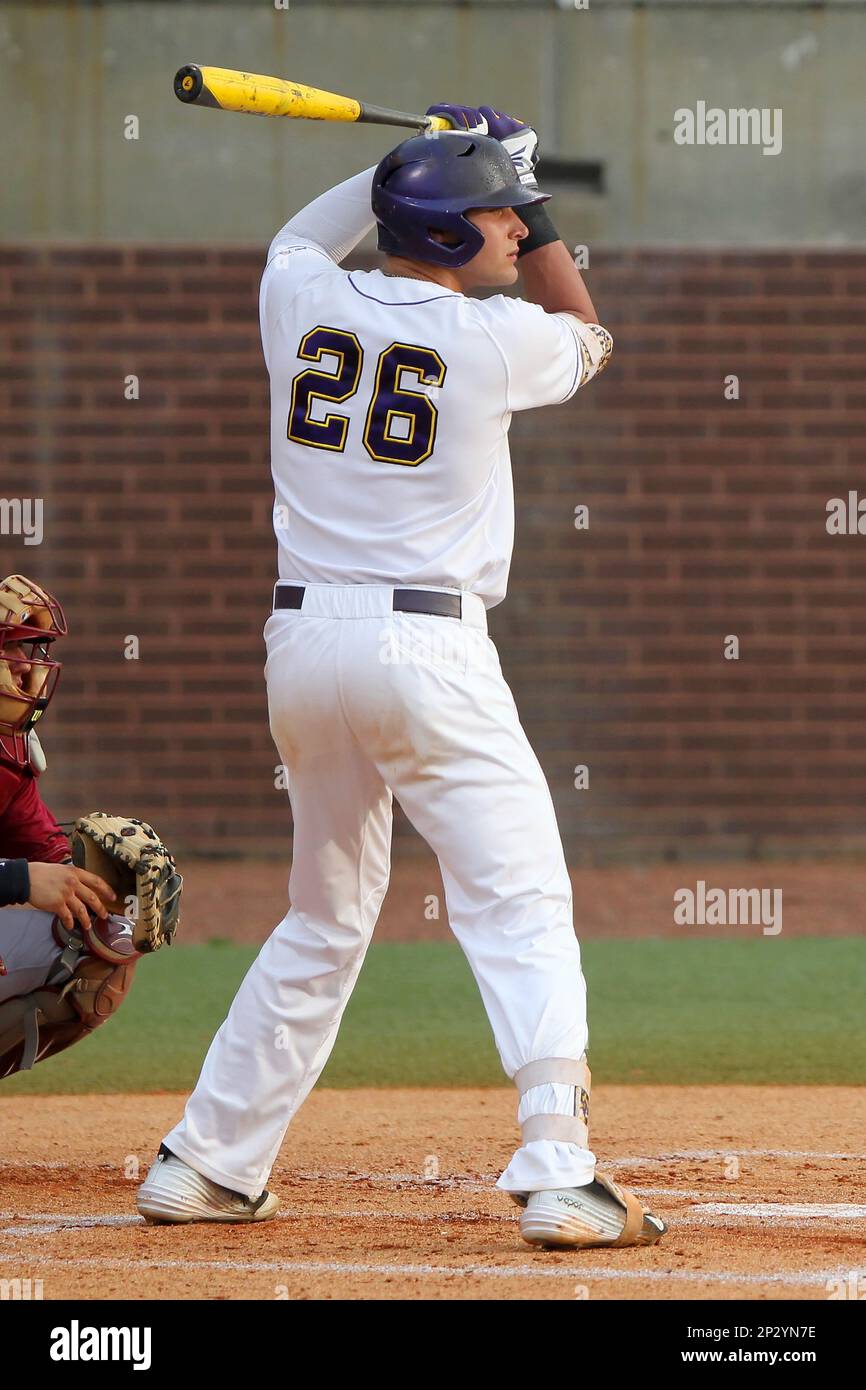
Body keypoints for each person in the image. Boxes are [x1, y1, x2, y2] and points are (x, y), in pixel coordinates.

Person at [137, 104, 666, 1250]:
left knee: (322, 917)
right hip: (428, 652)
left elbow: (308, 231)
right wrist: (530, 187)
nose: (515, 237)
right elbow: (588, 326)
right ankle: (559, 1167)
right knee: (516, 898)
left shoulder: (298, 296)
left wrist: (446, 160)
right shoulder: (495, 339)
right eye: (494, 219)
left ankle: (209, 1157)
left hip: (304, 651)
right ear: (444, 234)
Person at [0, 575, 175, 1076]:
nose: (24, 666)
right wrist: (17, 878)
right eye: (9, 651)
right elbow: (25, 874)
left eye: (29, 650)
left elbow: (47, 854)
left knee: (90, 933)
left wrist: (111, 891)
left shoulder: (7, 754)